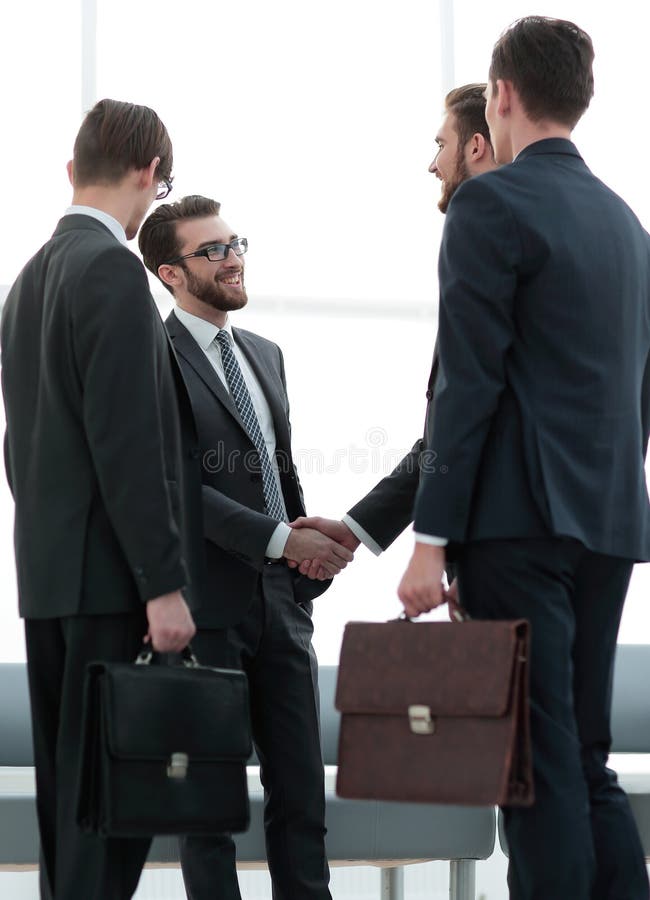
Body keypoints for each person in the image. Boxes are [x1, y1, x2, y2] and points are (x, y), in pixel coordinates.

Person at [398, 17, 650, 900]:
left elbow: (468, 387)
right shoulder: (627, 224)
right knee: (583, 753)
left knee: (535, 765)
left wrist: (431, 540)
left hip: (518, 523)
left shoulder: (489, 204)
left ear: (501, 96)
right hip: (609, 524)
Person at [1, 99, 205, 900]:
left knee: (70, 806)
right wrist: (162, 583)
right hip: (110, 583)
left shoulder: (26, 281)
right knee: (112, 808)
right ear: (151, 173)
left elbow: (22, 447)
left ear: (72, 170)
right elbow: (127, 445)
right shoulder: (113, 269)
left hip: (48, 580)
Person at [139, 195, 349, 900]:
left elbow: (276, 471)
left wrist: (304, 559)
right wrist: (283, 539)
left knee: (303, 800)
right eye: (213, 251)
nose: (233, 259)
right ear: (171, 273)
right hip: (202, 611)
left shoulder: (264, 353)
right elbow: (176, 488)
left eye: (235, 244)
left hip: (283, 602)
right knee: (209, 811)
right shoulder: (150, 357)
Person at [291, 84, 496, 572]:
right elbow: (445, 433)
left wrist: (430, 547)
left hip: (508, 542)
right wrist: (355, 527)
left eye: (440, 144)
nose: (432, 165)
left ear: (475, 146)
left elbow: (468, 405)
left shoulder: (487, 232)